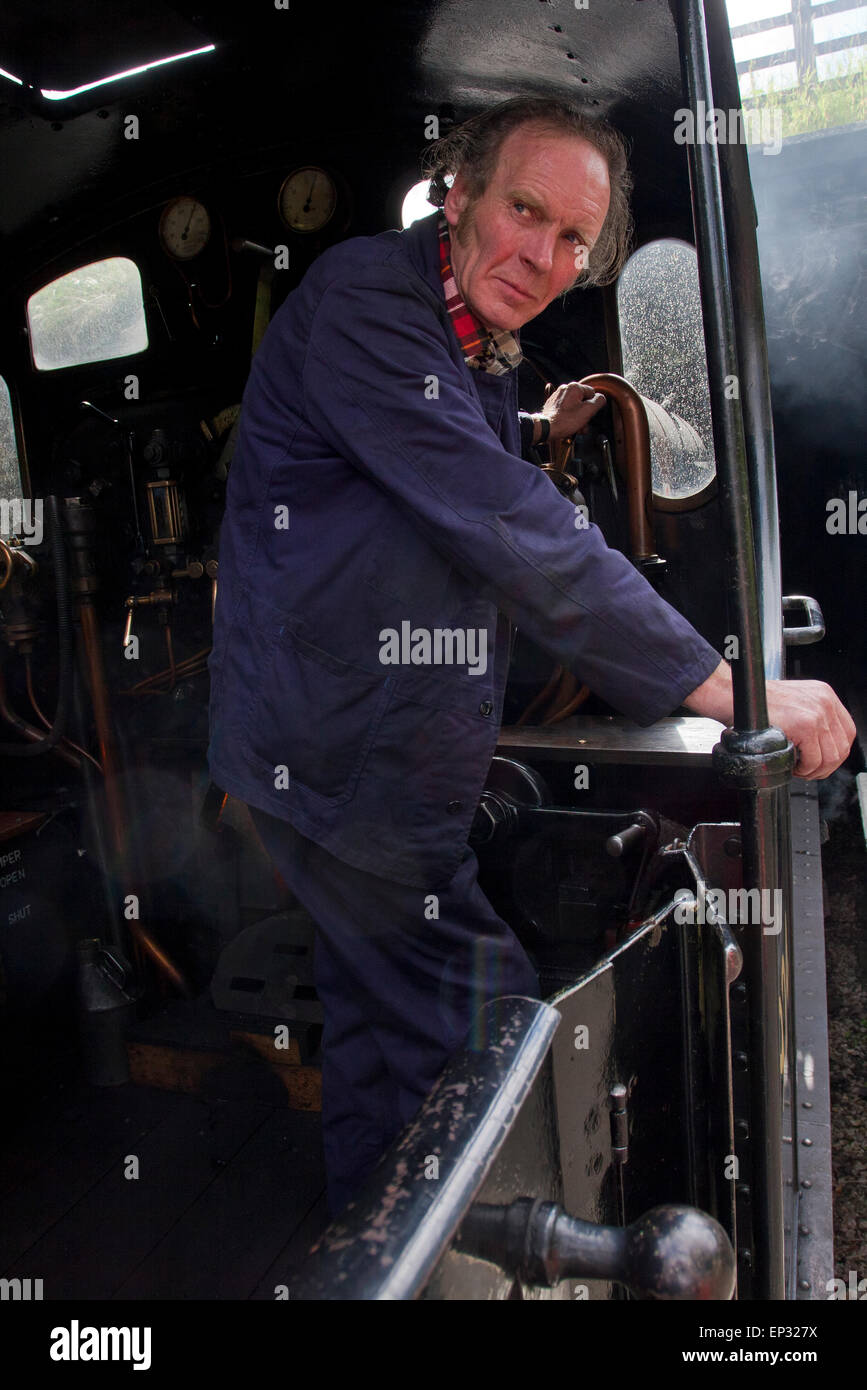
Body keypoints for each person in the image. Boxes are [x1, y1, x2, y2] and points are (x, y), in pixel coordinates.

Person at [207, 97, 854, 1213]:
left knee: (376, 1034)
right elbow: (502, 519)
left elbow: (454, 463)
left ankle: (371, 1238)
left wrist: (528, 428)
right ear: (456, 194)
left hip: (378, 743)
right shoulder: (366, 301)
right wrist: (726, 685)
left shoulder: (472, 334)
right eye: (523, 209)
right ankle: (477, 1256)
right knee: (487, 1020)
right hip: (337, 757)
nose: (543, 255)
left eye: (572, 238)